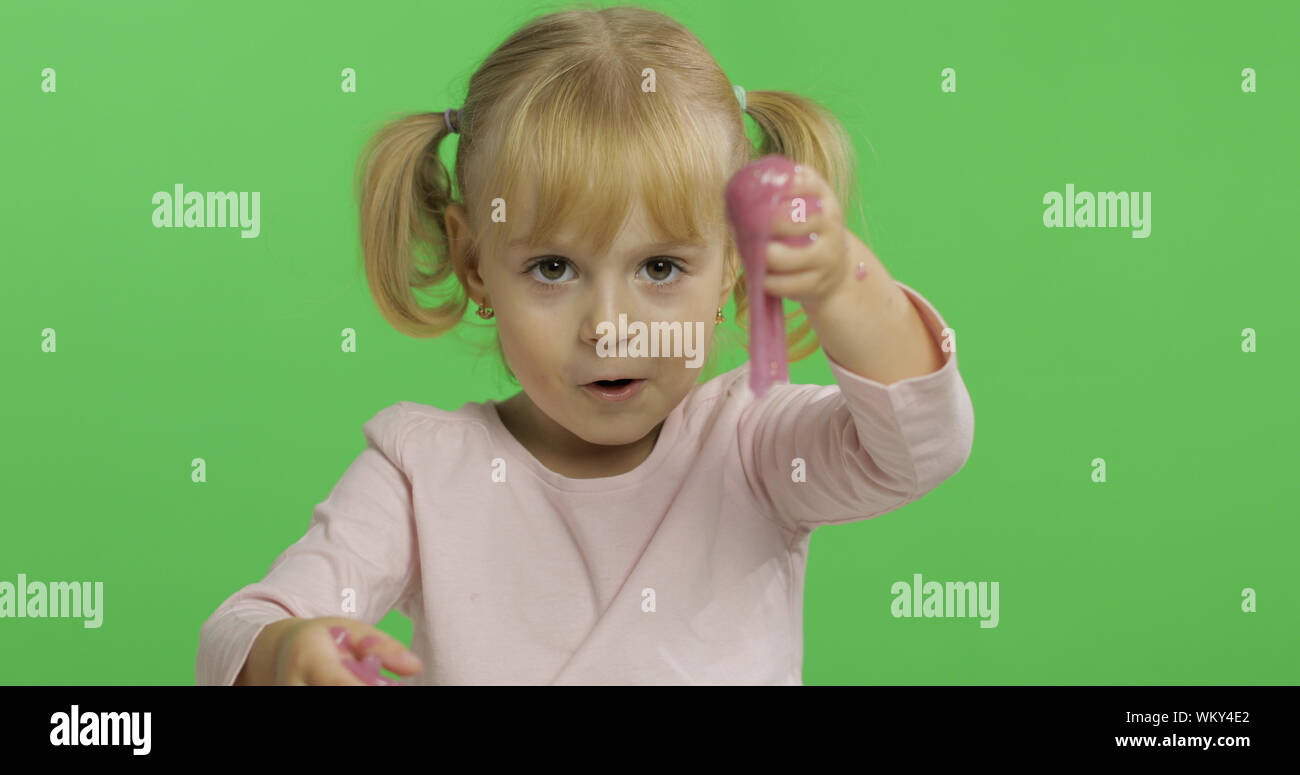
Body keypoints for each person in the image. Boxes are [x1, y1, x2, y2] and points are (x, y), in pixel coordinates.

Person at [195, 4, 974, 686]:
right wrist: (287, 649)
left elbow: (918, 448)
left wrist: (845, 285)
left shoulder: (751, 445)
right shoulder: (420, 471)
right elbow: (245, 623)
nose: (610, 325)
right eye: (553, 266)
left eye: (661, 266)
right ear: (475, 263)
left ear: (735, 261)